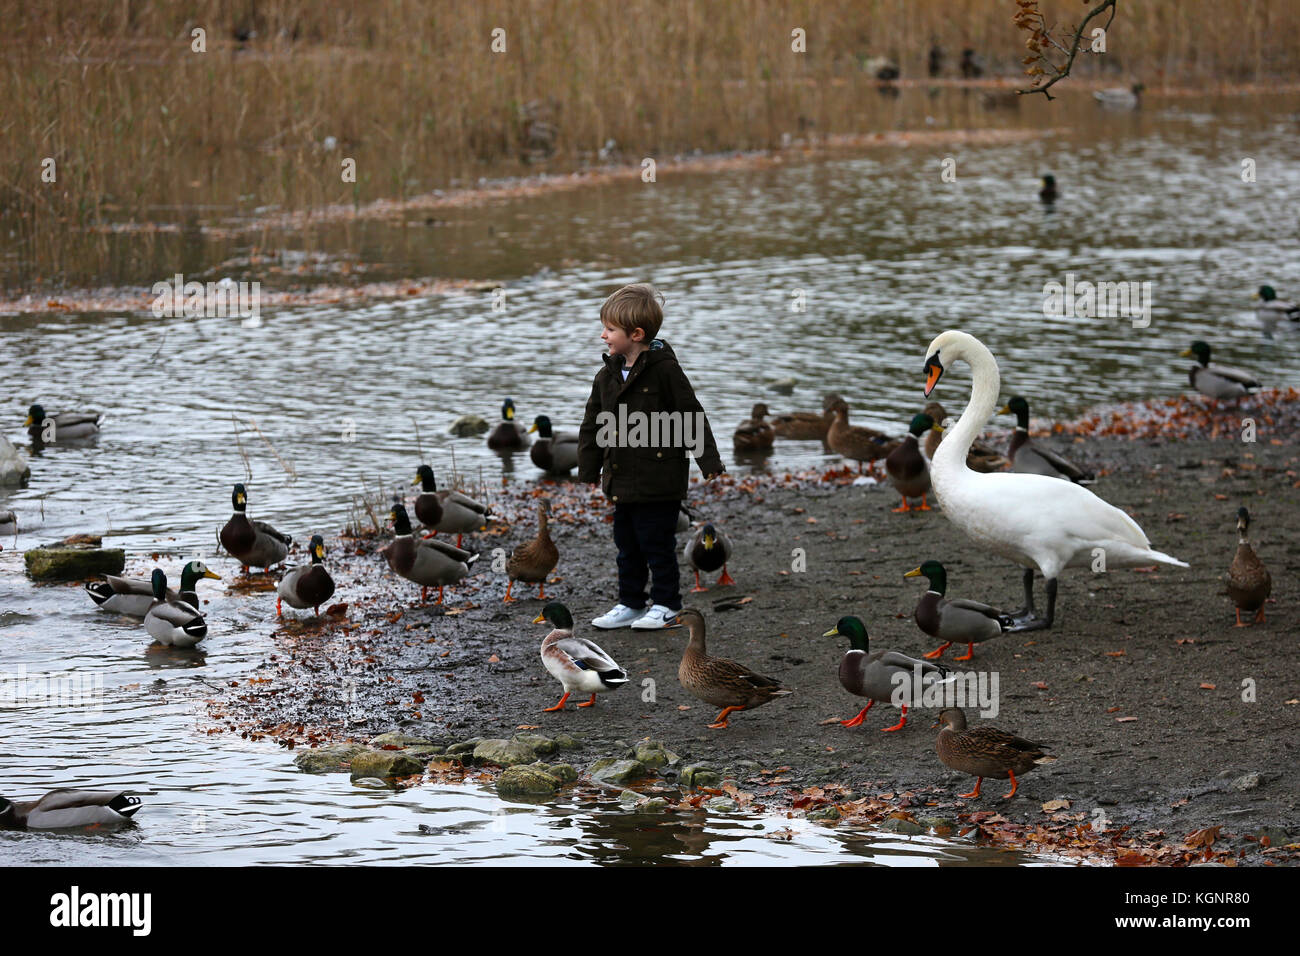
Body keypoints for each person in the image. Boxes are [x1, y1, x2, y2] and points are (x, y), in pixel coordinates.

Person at [578, 284, 724, 630]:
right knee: (626, 545)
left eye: (609, 329)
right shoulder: (607, 375)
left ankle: (667, 604)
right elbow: (592, 423)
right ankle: (630, 603)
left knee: (656, 544)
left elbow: (691, 415)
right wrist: (588, 468)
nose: (603, 336)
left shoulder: (665, 371)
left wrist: (709, 462)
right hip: (621, 478)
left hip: (660, 479)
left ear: (636, 334)